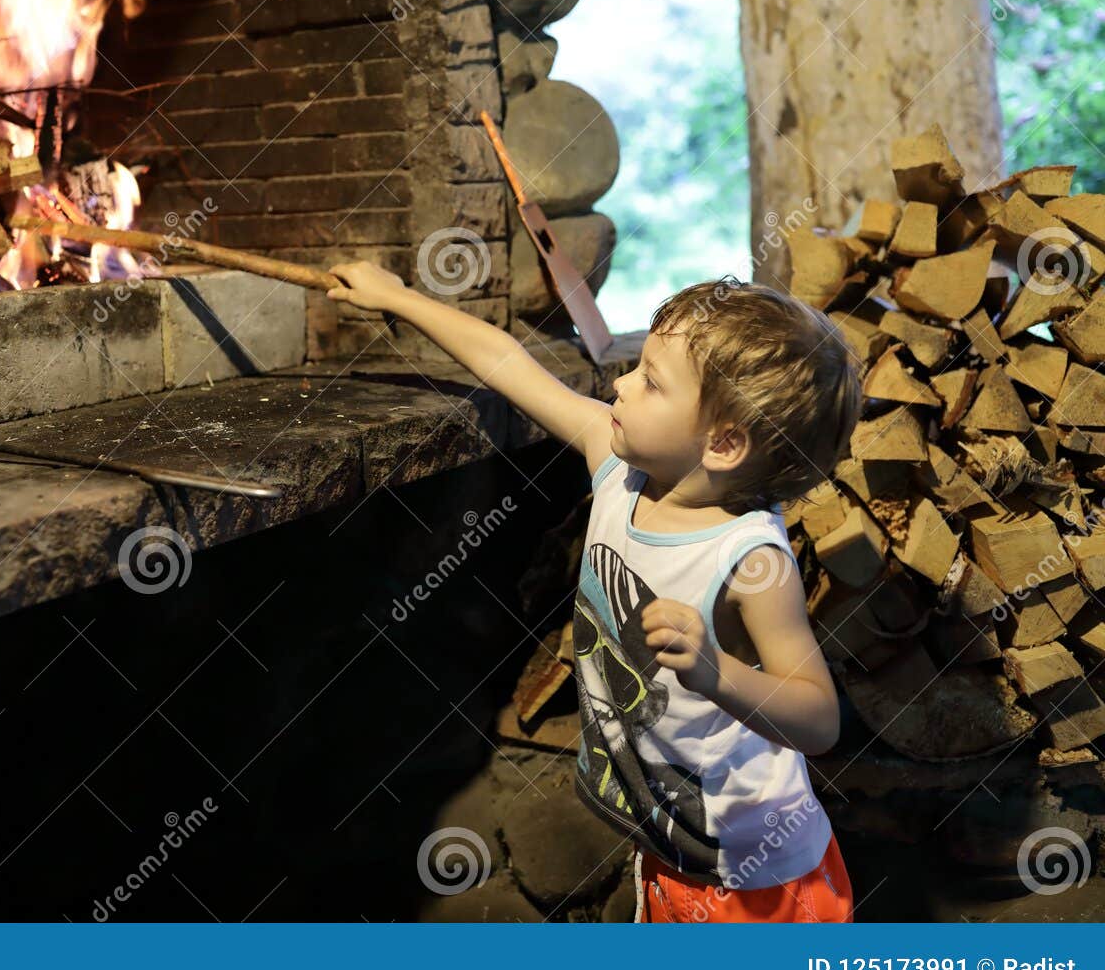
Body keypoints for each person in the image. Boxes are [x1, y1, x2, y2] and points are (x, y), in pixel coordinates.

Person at [326, 264, 862, 922]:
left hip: (752, 880)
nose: (620, 384)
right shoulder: (619, 471)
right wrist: (400, 299)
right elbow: (510, 364)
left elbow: (818, 720)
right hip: (671, 841)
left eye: (651, 383)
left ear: (723, 443)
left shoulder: (750, 560)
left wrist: (716, 672)